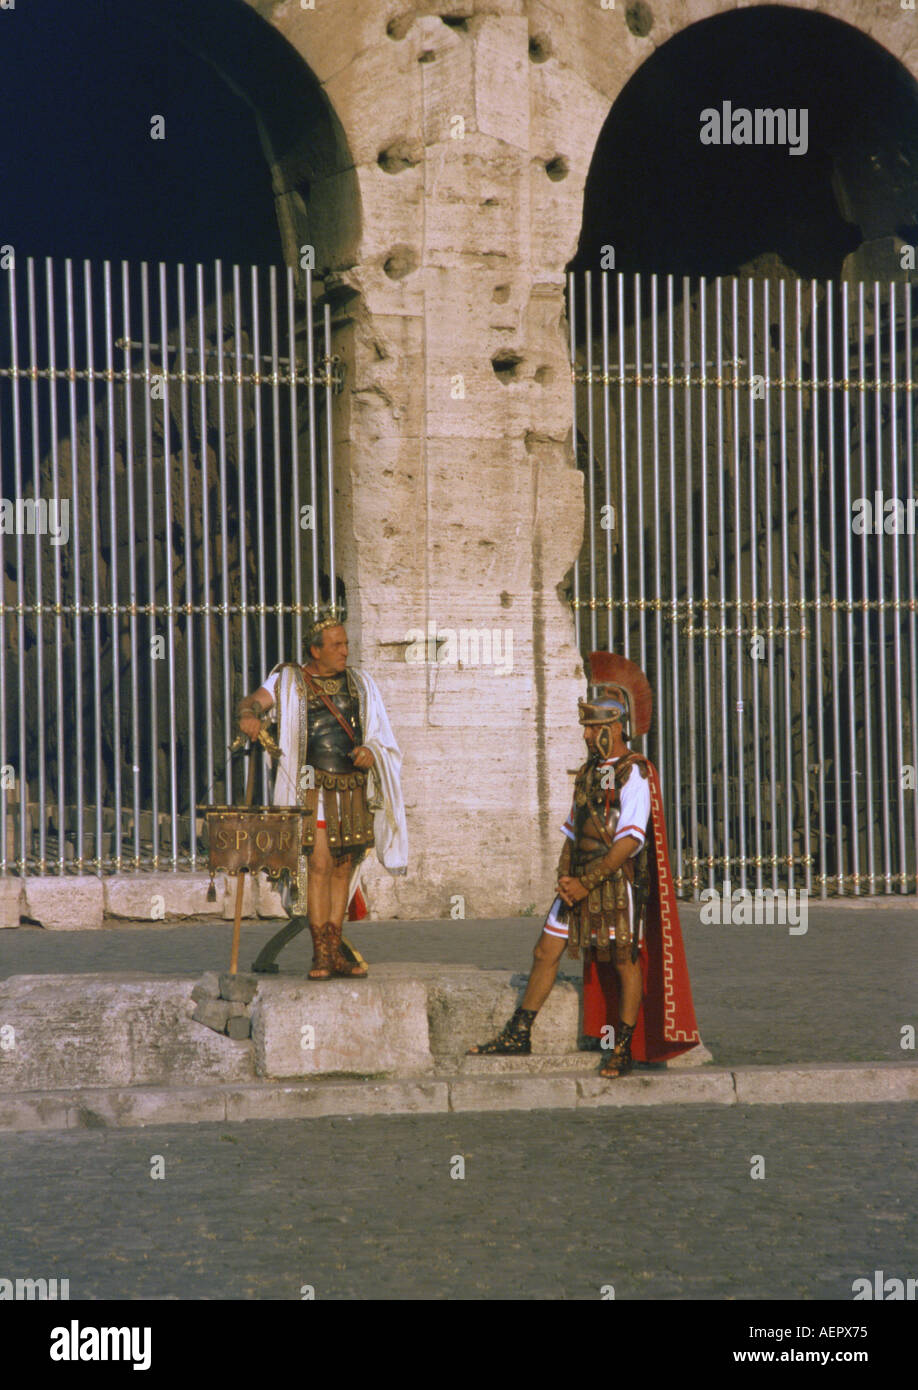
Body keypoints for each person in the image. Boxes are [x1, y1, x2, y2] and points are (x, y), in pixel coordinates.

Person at [469, 652, 699, 1078]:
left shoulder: (636, 774)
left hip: (615, 883)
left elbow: (630, 839)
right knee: (545, 950)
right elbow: (574, 832)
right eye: (586, 727)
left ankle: (623, 1048)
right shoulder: (591, 773)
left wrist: (586, 882)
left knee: (624, 960)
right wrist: (564, 878)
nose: (587, 735)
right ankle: (520, 1033)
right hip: (577, 882)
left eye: (594, 727)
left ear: (615, 728)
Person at [236, 612, 407, 978]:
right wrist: (248, 716)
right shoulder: (288, 679)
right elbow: (253, 702)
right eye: (337, 645)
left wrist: (371, 752)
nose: (345, 650)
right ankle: (321, 954)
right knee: (319, 866)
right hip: (312, 788)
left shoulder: (361, 683)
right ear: (315, 650)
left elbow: (380, 734)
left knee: (344, 868)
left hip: (353, 788)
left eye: (345, 643)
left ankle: (335, 949)